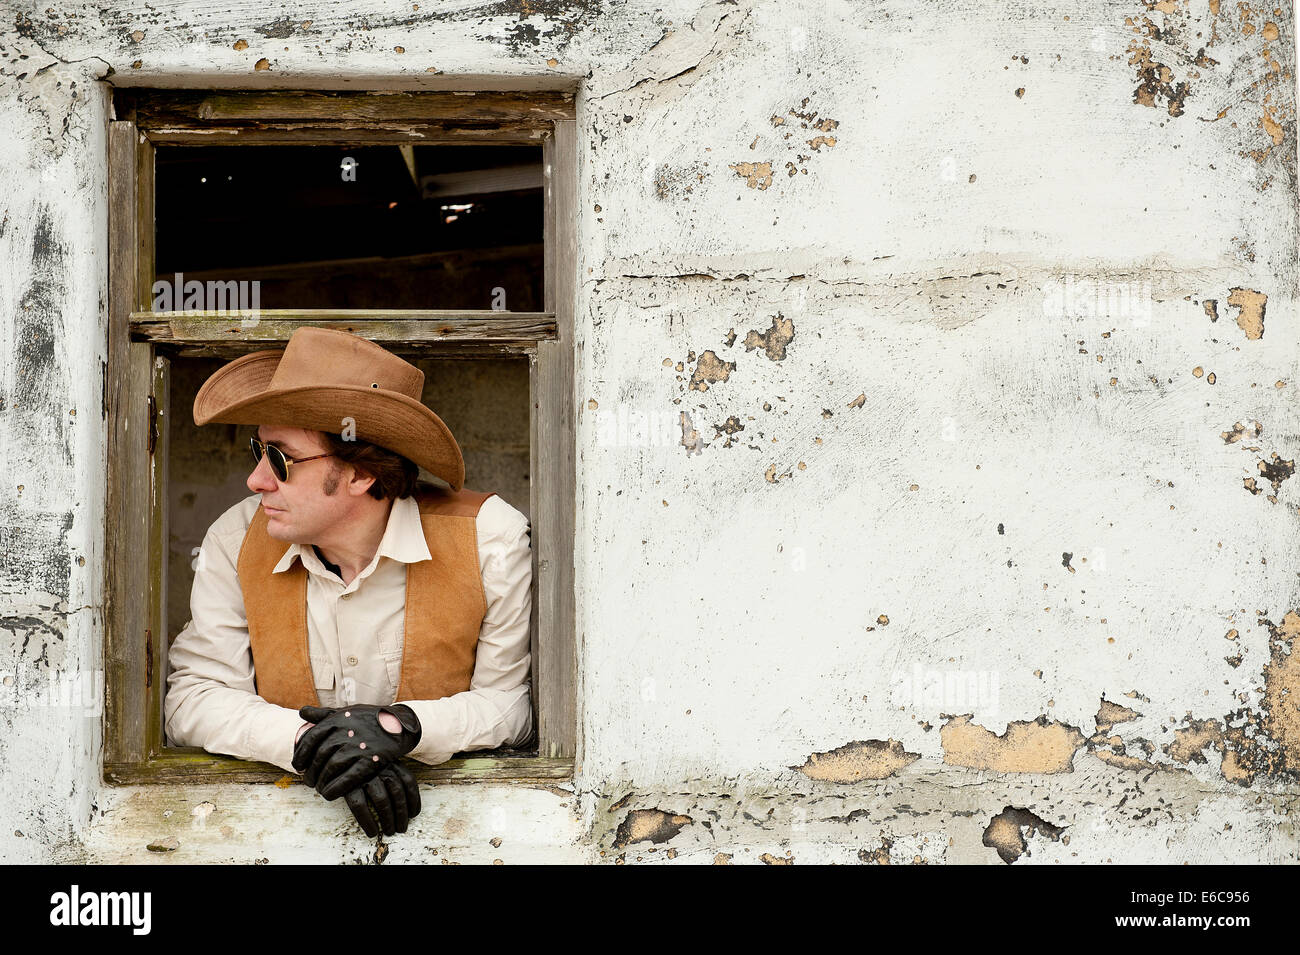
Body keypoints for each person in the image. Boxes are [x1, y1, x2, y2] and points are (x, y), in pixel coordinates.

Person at [164, 326, 533, 838]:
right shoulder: (234, 539)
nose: (257, 480)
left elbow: (510, 705)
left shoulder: (490, 538)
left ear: (360, 473)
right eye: (258, 450)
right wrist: (312, 744)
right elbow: (192, 698)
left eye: (280, 458)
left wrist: (400, 728)